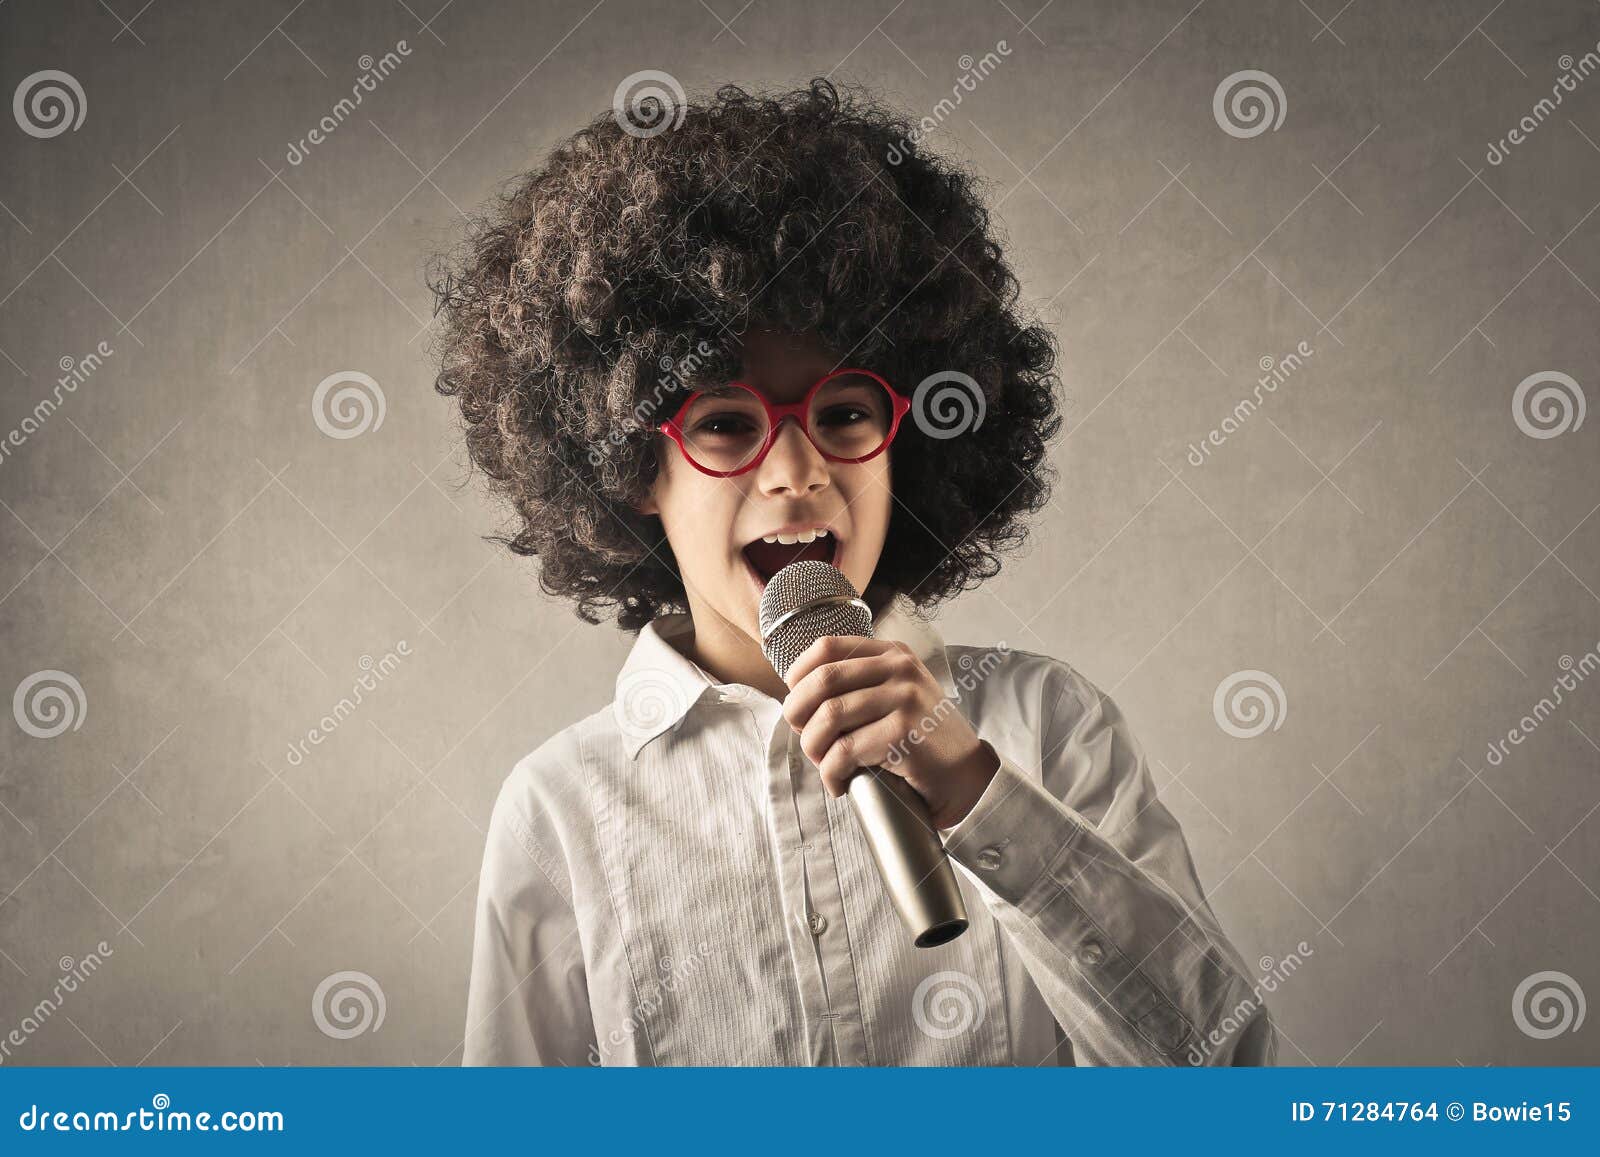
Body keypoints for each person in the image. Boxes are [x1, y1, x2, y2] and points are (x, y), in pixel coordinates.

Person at [429, 77, 1276, 1066]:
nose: (798, 471)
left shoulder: (1048, 728)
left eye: (842, 413)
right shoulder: (561, 808)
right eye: (725, 423)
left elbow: (1224, 1082)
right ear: (631, 470)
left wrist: (969, 789)